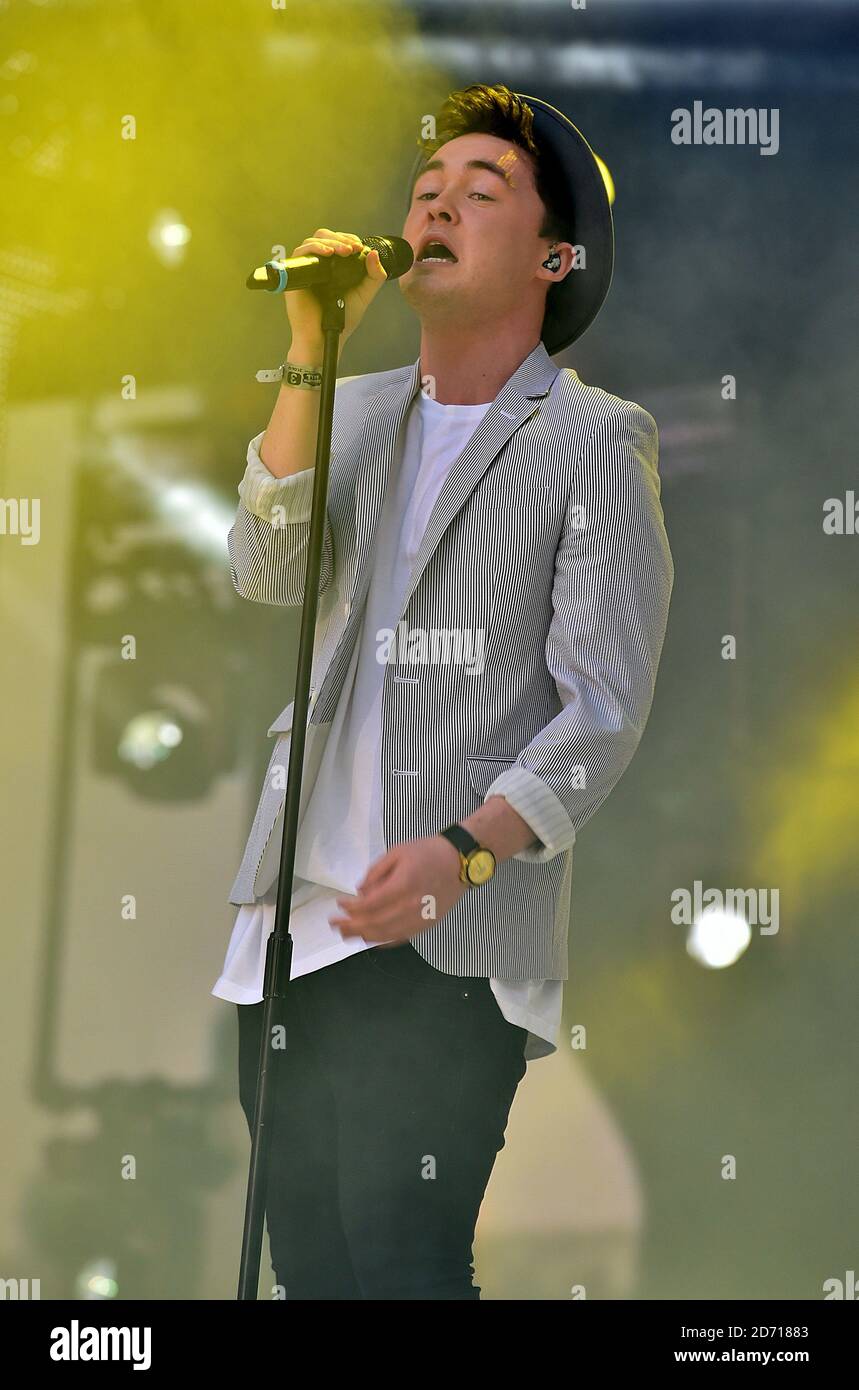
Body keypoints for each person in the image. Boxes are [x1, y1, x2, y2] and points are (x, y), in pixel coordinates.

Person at [212, 84, 674, 1299]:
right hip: (293, 927)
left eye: (481, 193)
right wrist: (313, 345)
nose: (437, 206)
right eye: (426, 192)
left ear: (552, 257)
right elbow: (261, 565)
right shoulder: (352, 414)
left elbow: (604, 705)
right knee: (309, 1268)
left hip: (444, 931)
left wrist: (465, 851)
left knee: (402, 1263)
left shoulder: (592, 441)